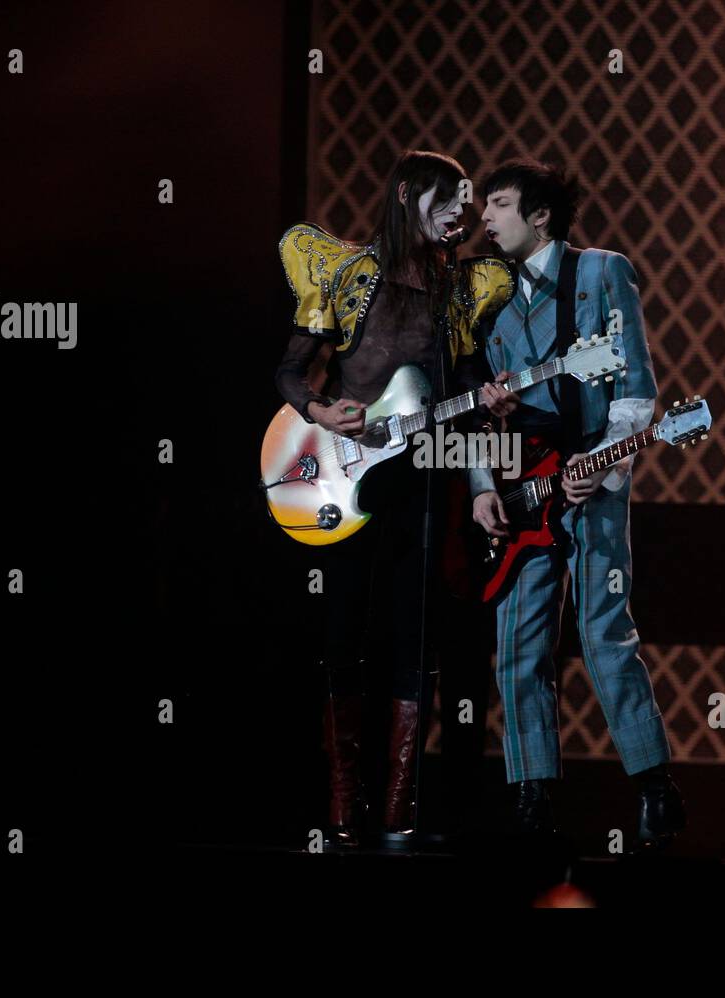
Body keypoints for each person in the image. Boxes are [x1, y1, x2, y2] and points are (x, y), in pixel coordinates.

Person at [274, 150, 516, 847]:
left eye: (472, 205)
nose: (464, 214)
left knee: (418, 633)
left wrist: (483, 462)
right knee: (344, 627)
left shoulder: (459, 290)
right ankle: (345, 795)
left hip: (423, 477)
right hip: (341, 476)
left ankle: (400, 809)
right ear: (409, 194)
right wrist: (321, 411)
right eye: (454, 199)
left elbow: (467, 402)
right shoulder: (348, 275)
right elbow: (289, 370)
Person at [470, 158, 687, 849]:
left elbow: (635, 391)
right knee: (518, 644)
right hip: (525, 485)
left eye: (497, 204)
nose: (484, 218)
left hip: (592, 470)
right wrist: (483, 488)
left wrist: (604, 465)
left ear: (539, 215)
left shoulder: (601, 273)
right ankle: (535, 801)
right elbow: (477, 417)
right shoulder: (488, 296)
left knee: (603, 635)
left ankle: (655, 789)